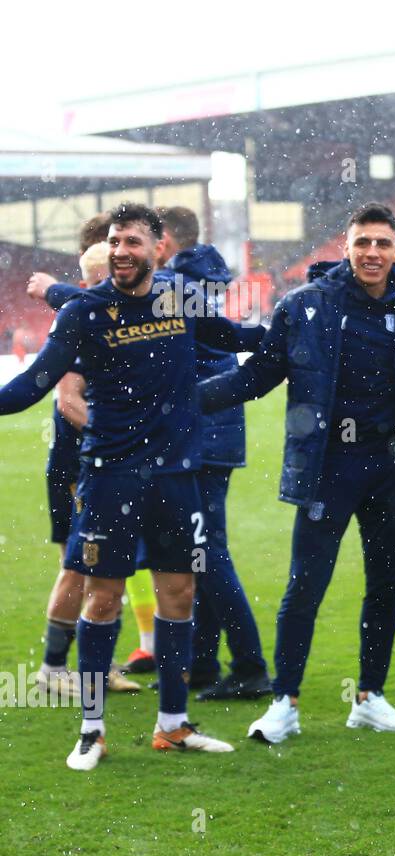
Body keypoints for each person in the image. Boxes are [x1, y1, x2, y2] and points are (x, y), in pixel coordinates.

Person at [0, 203, 259, 769]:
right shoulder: (85, 312)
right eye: (115, 241)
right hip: (110, 478)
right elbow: (32, 384)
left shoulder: (176, 296)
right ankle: (92, 729)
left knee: (179, 595)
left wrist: (285, 333)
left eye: (132, 242)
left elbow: (226, 334)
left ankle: (172, 725)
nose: (120, 251)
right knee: (105, 597)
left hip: (176, 476)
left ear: (156, 247)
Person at [200, 203, 395, 742]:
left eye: (382, 244)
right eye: (363, 242)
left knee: (386, 587)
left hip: (393, 470)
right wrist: (180, 403)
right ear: (345, 245)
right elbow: (256, 378)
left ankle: (370, 697)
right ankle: (284, 703)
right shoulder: (305, 306)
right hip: (328, 468)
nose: (372, 253)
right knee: (304, 587)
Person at [156, 206, 272, 701]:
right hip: (218, 430)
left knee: (206, 552)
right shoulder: (199, 279)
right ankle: (201, 663)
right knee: (201, 550)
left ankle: (250, 665)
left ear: (163, 241)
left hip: (196, 431)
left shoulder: (172, 284)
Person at [27, 238, 140, 698]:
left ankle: (100, 666)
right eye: (101, 279)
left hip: (105, 464)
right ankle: (53, 668)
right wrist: (118, 433)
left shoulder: (115, 321)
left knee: (105, 569)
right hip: (78, 466)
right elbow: (68, 399)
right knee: (78, 568)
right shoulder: (78, 323)